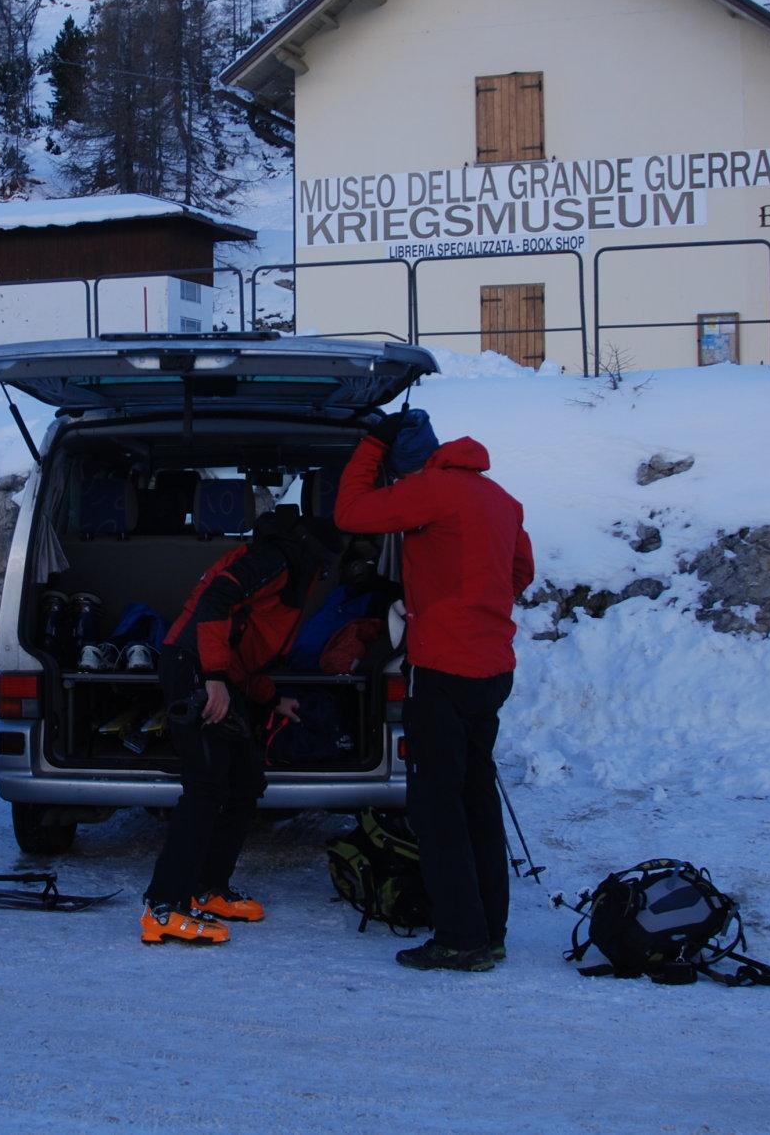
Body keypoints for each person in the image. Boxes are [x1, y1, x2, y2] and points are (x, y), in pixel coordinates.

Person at [335, 410, 532, 973]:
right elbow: (520, 570)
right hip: (491, 667)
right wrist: (476, 606)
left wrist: (373, 444)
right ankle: (488, 933)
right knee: (476, 799)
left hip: (443, 668)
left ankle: (459, 939)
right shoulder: (500, 498)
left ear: (410, 465)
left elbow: (350, 512)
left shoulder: (431, 489)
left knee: (436, 805)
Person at [140, 505, 340, 946]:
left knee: (245, 783)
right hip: (194, 668)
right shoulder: (273, 560)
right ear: (315, 556)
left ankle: (207, 889)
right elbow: (215, 601)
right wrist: (212, 678)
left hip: (220, 671)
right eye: (324, 568)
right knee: (206, 787)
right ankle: (163, 907)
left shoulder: (286, 565)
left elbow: (243, 646)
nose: (322, 577)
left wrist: (272, 698)